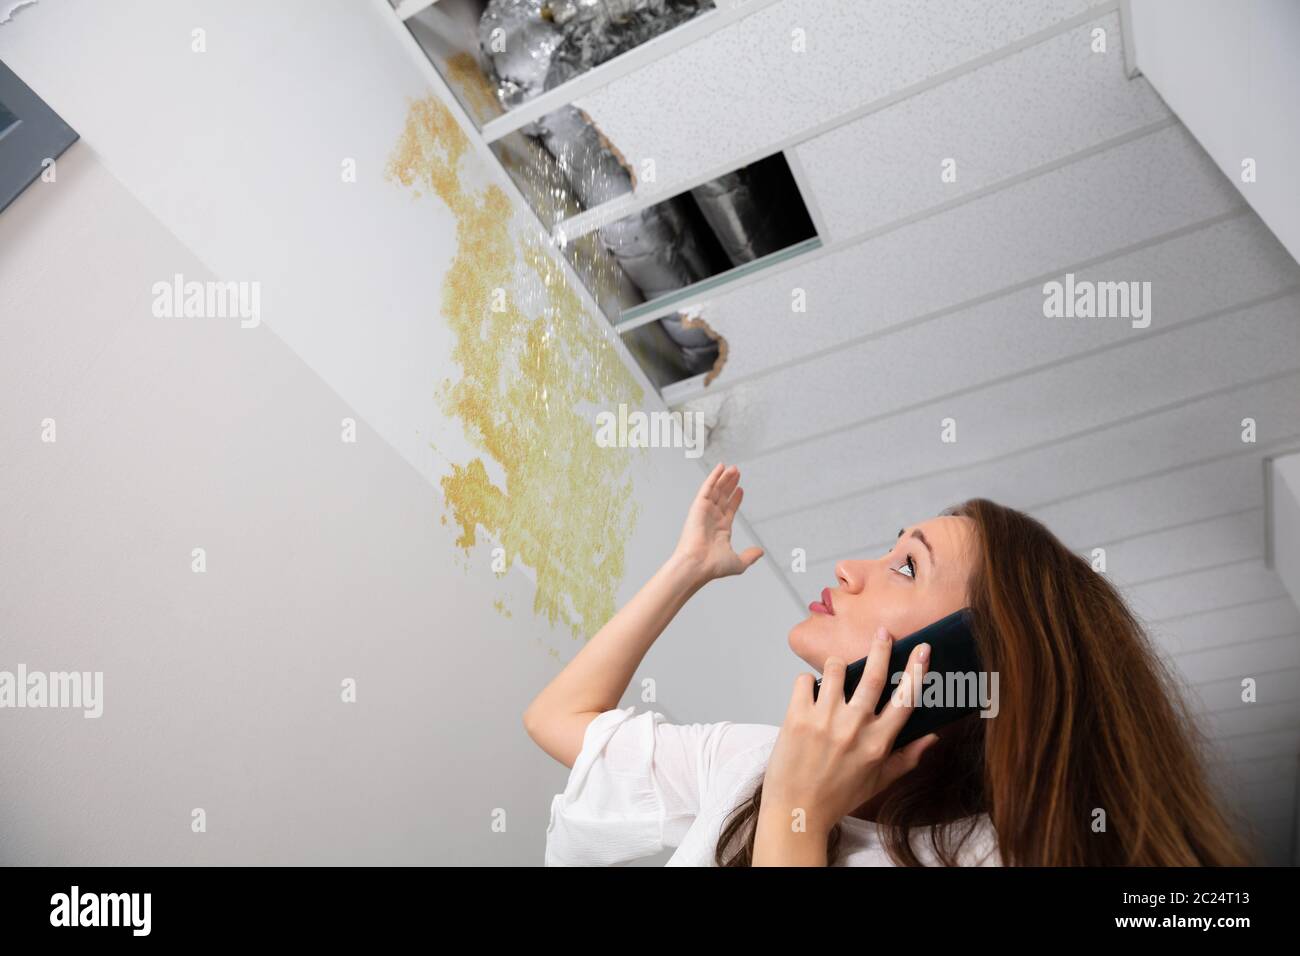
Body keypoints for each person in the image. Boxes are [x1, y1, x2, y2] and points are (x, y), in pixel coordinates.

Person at [523, 463, 1252, 866]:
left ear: (979, 660)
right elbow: (559, 719)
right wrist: (686, 568)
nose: (847, 569)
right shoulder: (756, 763)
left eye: (905, 568)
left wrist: (793, 823)